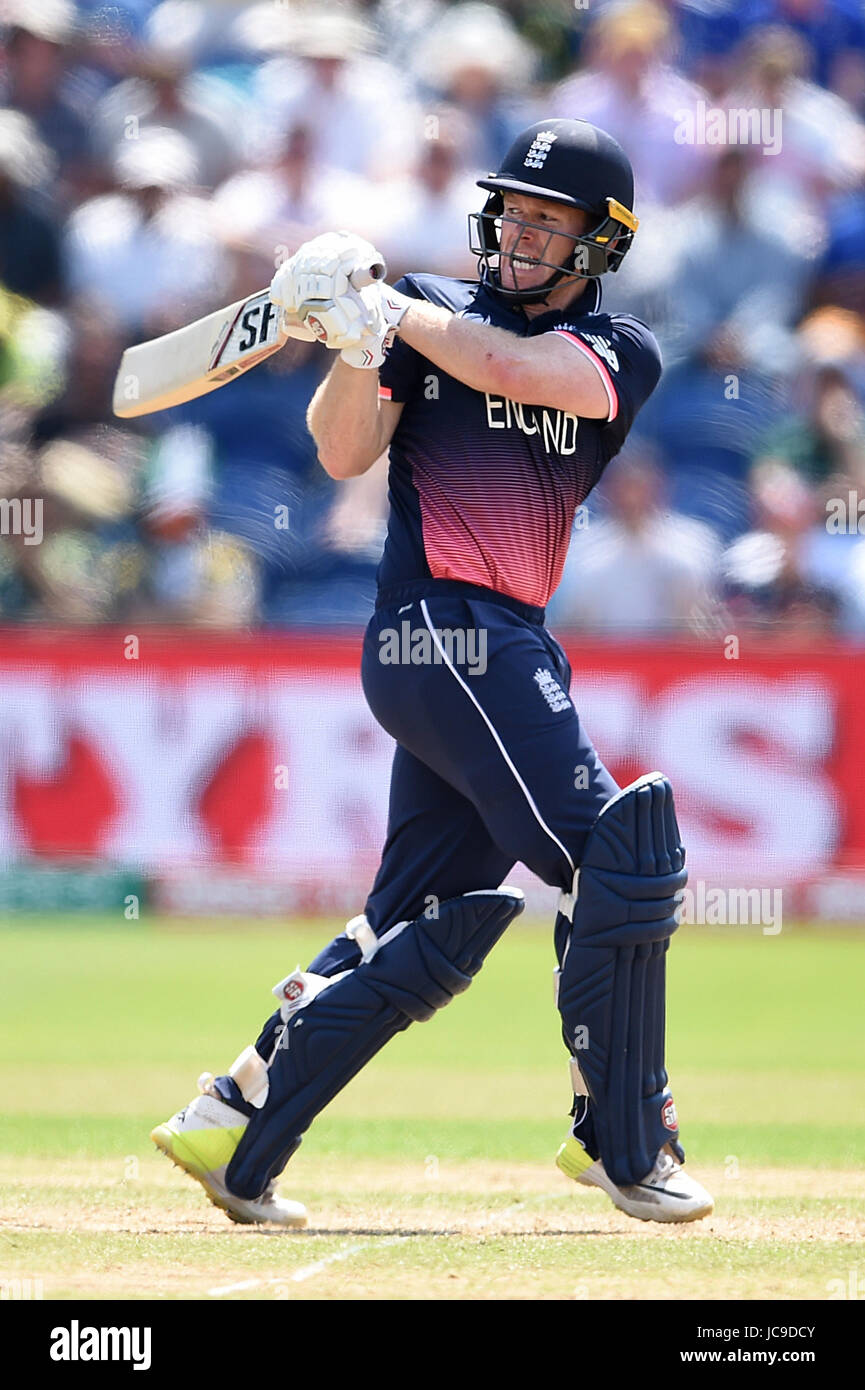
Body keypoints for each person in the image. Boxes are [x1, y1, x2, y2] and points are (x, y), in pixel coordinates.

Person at [152, 118, 714, 1228]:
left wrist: (389, 309)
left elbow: (516, 368)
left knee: (430, 918)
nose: (518, 234)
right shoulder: (422, 311)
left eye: (549, 222)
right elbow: (342, 450)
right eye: (513, 211)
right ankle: (625, 1134)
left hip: (496, 639)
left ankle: (235, 1121)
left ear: (600, 245)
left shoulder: (616, 351)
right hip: (442, 631)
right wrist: (353, 341)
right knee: (618, 858)